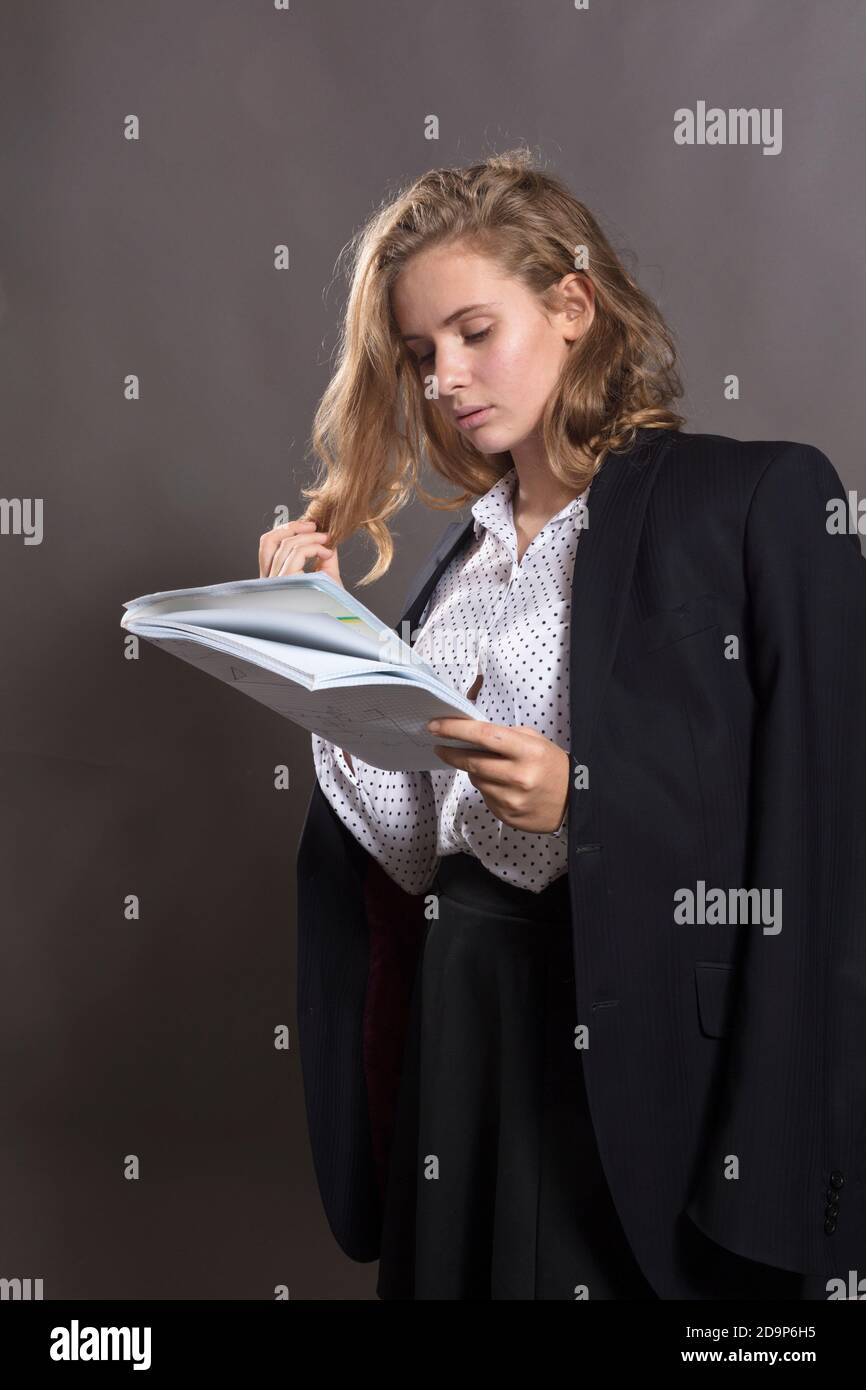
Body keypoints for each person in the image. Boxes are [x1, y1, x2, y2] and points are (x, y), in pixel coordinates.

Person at [260, 148, 866, 1300]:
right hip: (461, 1021)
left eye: (473, 331)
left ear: (572, 304)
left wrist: (586, 800)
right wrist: (315, 647)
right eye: (420, 351)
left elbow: (826, 827)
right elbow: (408, 846)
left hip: (644, 1060)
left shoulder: (756, 498)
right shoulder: (457, 568)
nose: (444, 377)